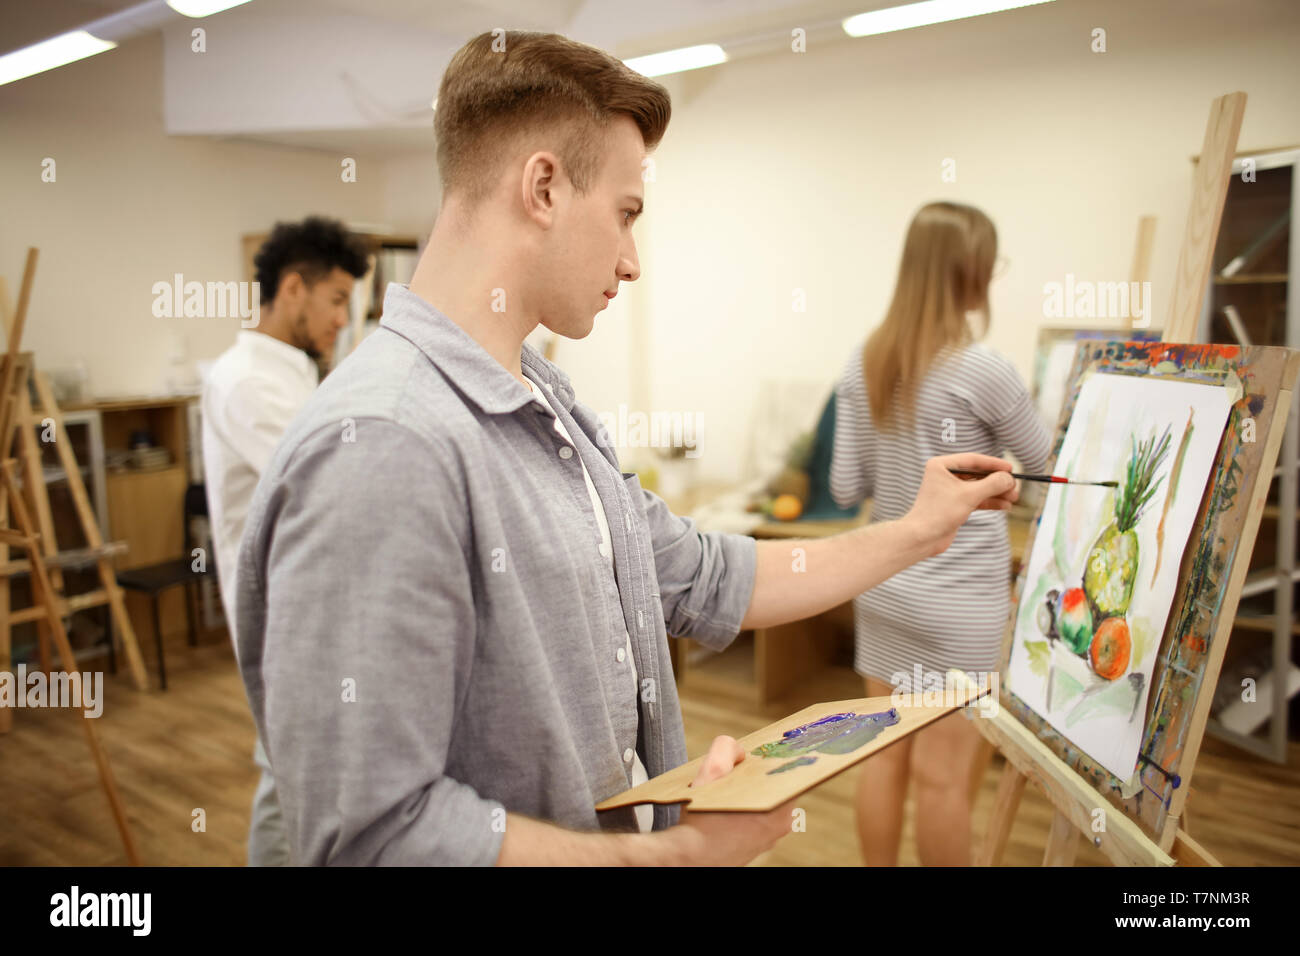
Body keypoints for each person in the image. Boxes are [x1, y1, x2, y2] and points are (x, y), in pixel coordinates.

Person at [233, 32, 1020, 866]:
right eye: (626, 213)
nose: (633, 259)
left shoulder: (545, 401)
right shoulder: (385, 446)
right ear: (542, 186)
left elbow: (703, 576)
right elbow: (373, 836)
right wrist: (686, 853)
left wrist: (917, 531)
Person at [830, 201, 1053, 866]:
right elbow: (1046, 473)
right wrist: (1001, 481)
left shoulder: (861, 361)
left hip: (884, 591)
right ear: (974, 274)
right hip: (960, 608)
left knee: (883, 760)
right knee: (943, 779)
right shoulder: (984, 370)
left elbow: (846, 488)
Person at [200, 216, 368, 865]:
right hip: (283, 619)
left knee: (302, 774)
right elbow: (328, 483)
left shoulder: (293, 370)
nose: (342, 319)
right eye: (336, 301)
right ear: (293, 288)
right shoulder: (246, 380)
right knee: (287, 777)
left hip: (314, 605)